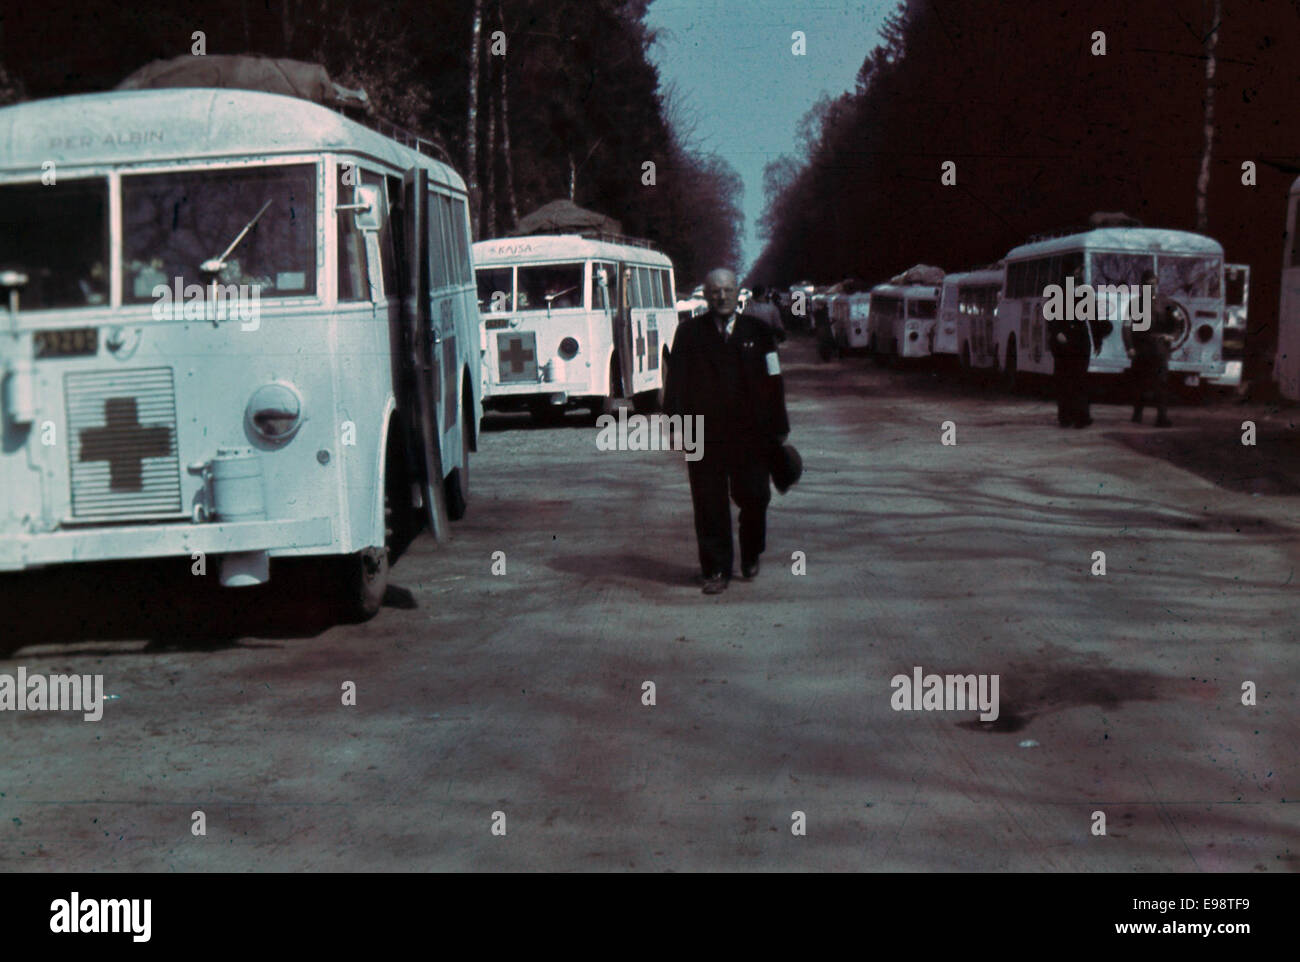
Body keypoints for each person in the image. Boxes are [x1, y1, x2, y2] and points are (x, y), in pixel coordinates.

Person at [664, 268, 790, 594]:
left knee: (755, 497)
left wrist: (779, 427)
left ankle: (751, 553)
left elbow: (774, 381)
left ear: (738, 293)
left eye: (728, 290)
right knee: (708, 503)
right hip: (704, 434)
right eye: (715, 291)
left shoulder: (760, 332)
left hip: (751, 435)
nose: (721, 296)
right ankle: (716, 569)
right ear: (706, 295)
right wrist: (677, 425)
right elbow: (675, 382)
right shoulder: (689, 333)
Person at [1048, 266, 1093, 428]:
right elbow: (1051, 317)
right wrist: (1057, 332)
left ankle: (1081, 416)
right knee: (1065, 380)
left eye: (1078, 272)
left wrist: (1099, 337)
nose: (1077, 275)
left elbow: (1093, 317)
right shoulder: (1057, 293)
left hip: (1080, 340)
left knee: (1080, 379)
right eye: (1074, 272)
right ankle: (1065, 416)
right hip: (1063, 341)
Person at [1129, 269, 1173, 427]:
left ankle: (1162, 417)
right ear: (1142, 286)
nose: (1151, 288)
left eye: (1153, 285)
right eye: (1148, 285)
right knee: (1140, 383)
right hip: (1141, 348)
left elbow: (1175, 324)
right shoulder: (1136, 303)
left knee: (1161, 383)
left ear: (1157, 284)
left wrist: (1171, 335)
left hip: (1159, 347)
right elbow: (1127, 326)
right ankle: (1137, 414)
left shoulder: (1166, 303)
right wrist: (1129, 347)